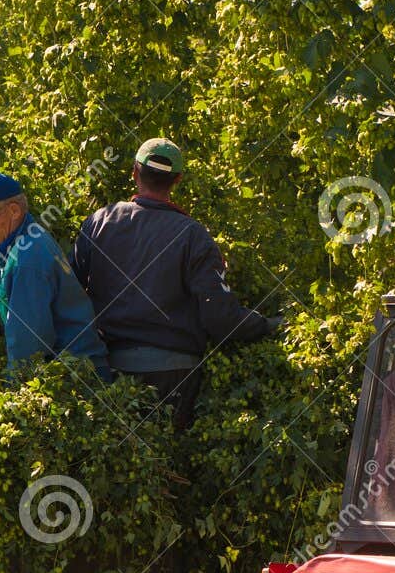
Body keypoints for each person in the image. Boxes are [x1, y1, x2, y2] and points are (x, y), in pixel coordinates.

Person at [71, 138, 277, 428]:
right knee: (166, 462)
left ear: (134, 173)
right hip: (174, 376)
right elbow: (220, 318)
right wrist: (267, 325)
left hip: (108, 370)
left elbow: (67, 293)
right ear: (177, 180)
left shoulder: (99, 222)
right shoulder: (193, 236)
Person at [0, 171, 111, 380]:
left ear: (13, 210)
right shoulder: (27, 239)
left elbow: (29, 344)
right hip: (76, 370)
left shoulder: (27, 257)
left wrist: (15, 393)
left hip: (78, 377)